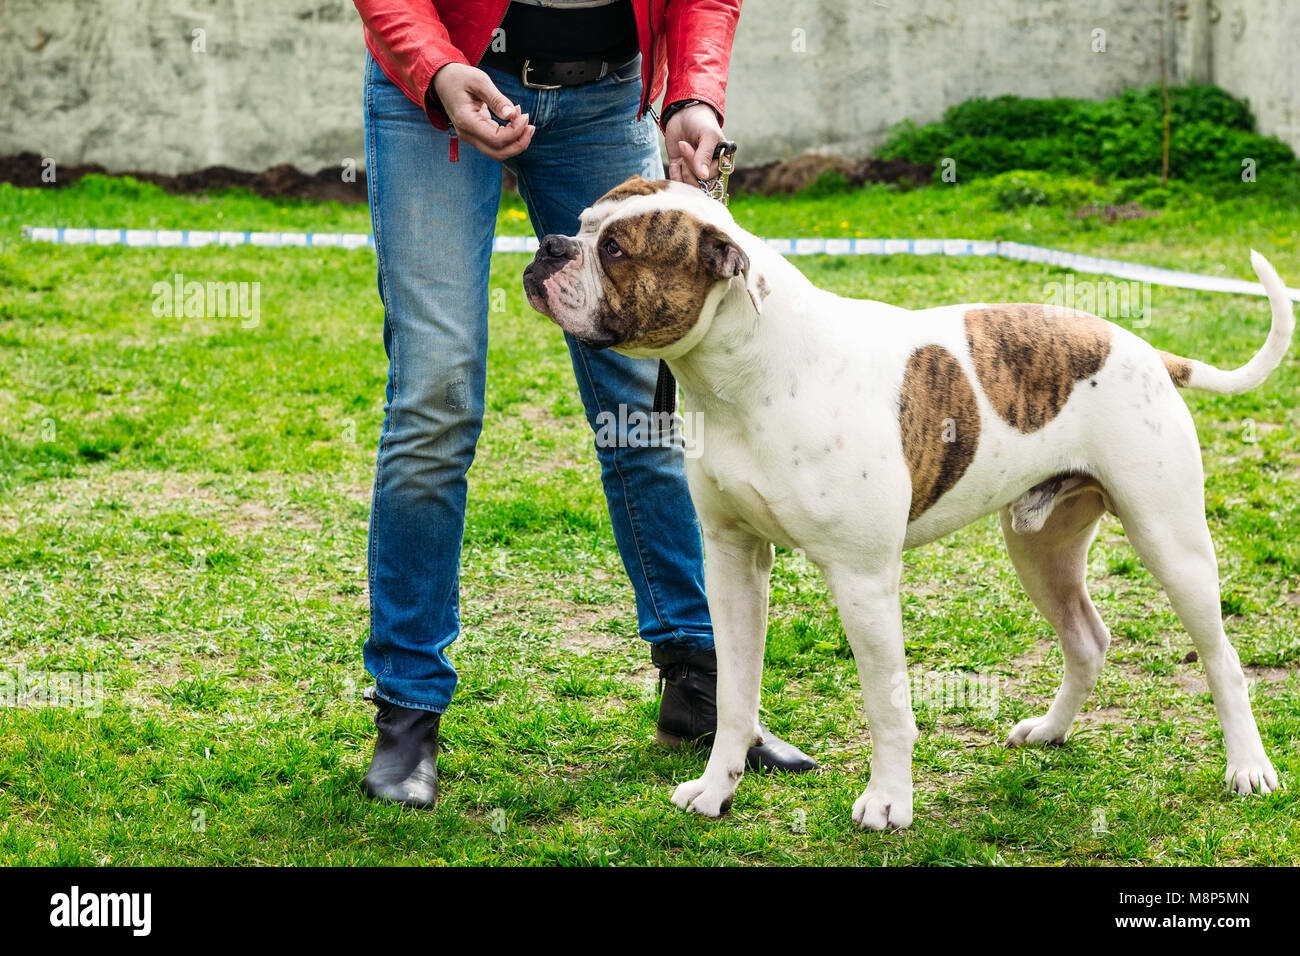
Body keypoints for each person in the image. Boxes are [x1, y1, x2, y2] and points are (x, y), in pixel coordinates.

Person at [352, 0, 816, 809]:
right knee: (436, 390)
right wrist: (433, 68)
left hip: (607, 96)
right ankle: (408, 711)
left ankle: (700, 688)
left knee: (642, 402)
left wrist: (694, 96)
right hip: (445, 77)